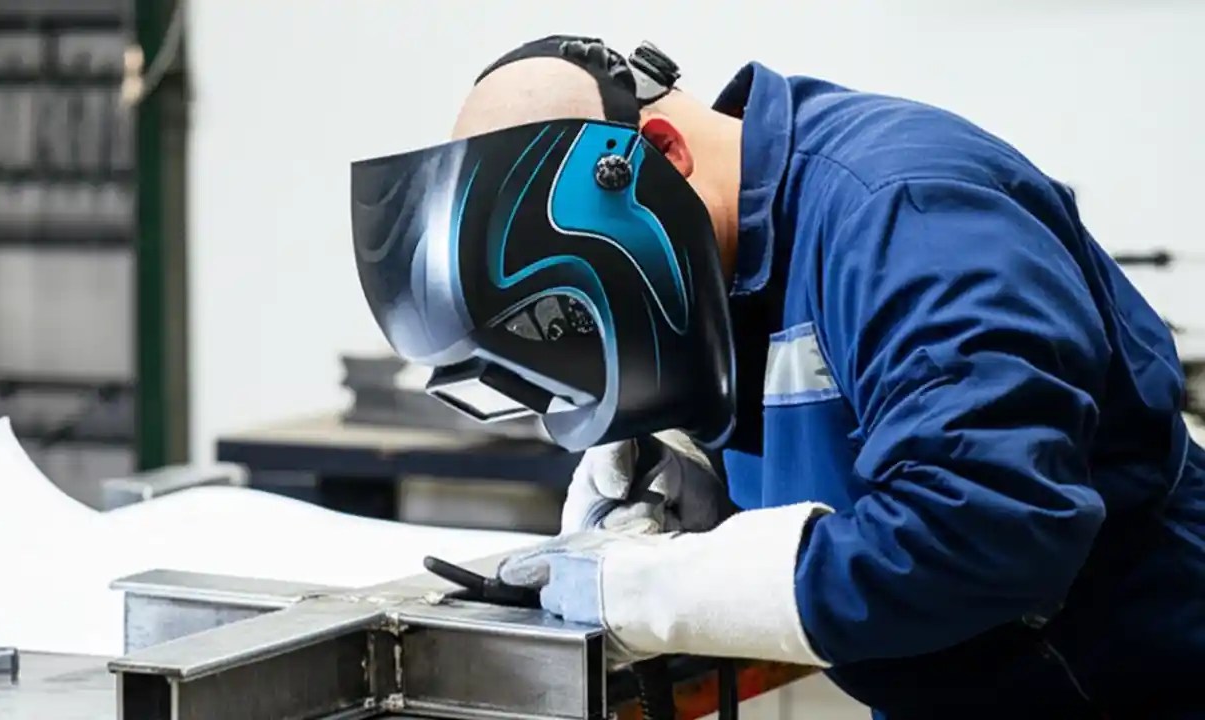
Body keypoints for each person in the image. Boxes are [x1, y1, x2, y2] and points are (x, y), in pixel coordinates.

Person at [350, 36, 1205, 719]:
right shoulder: (729, 261)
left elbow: (989, 523)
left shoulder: (902, 208)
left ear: (660, 153)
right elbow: (859, 432)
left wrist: (666, 593)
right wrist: (709, 494)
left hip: (1132, 685)